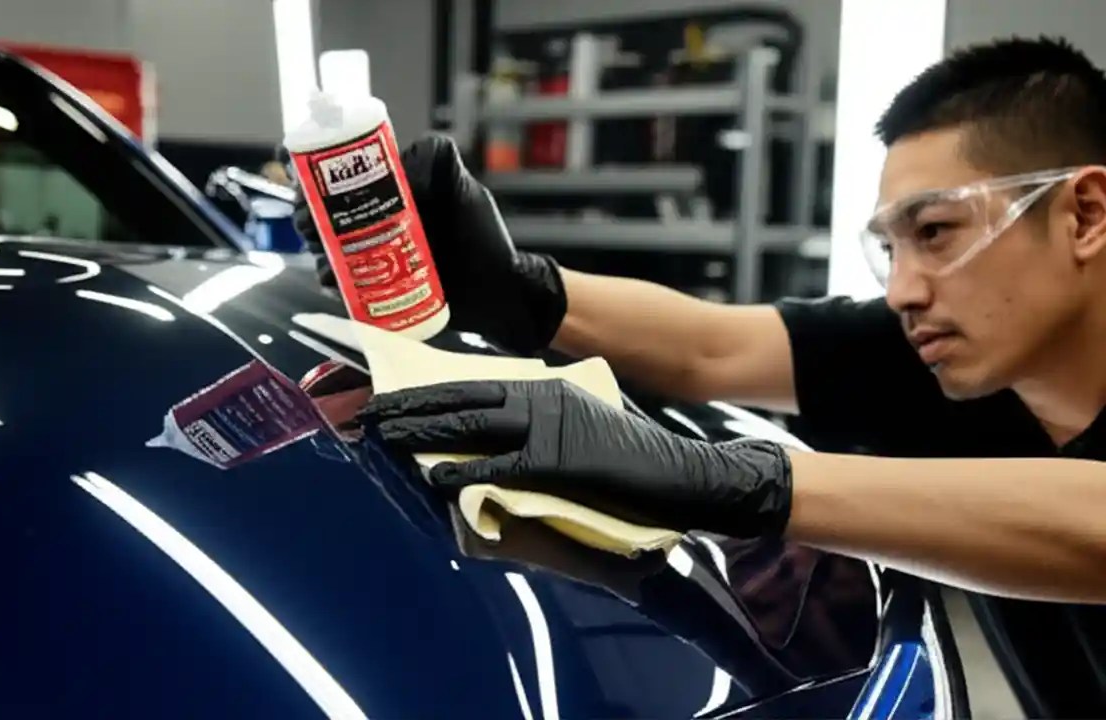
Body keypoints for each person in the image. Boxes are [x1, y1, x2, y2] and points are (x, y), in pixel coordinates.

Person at [295, 37, 1106, 714]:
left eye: (936, 231)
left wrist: (736, 482)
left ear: (1085, 214)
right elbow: (710, 349)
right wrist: (522, 289)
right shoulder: (941, 355)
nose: (903, 290)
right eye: (891, 249)